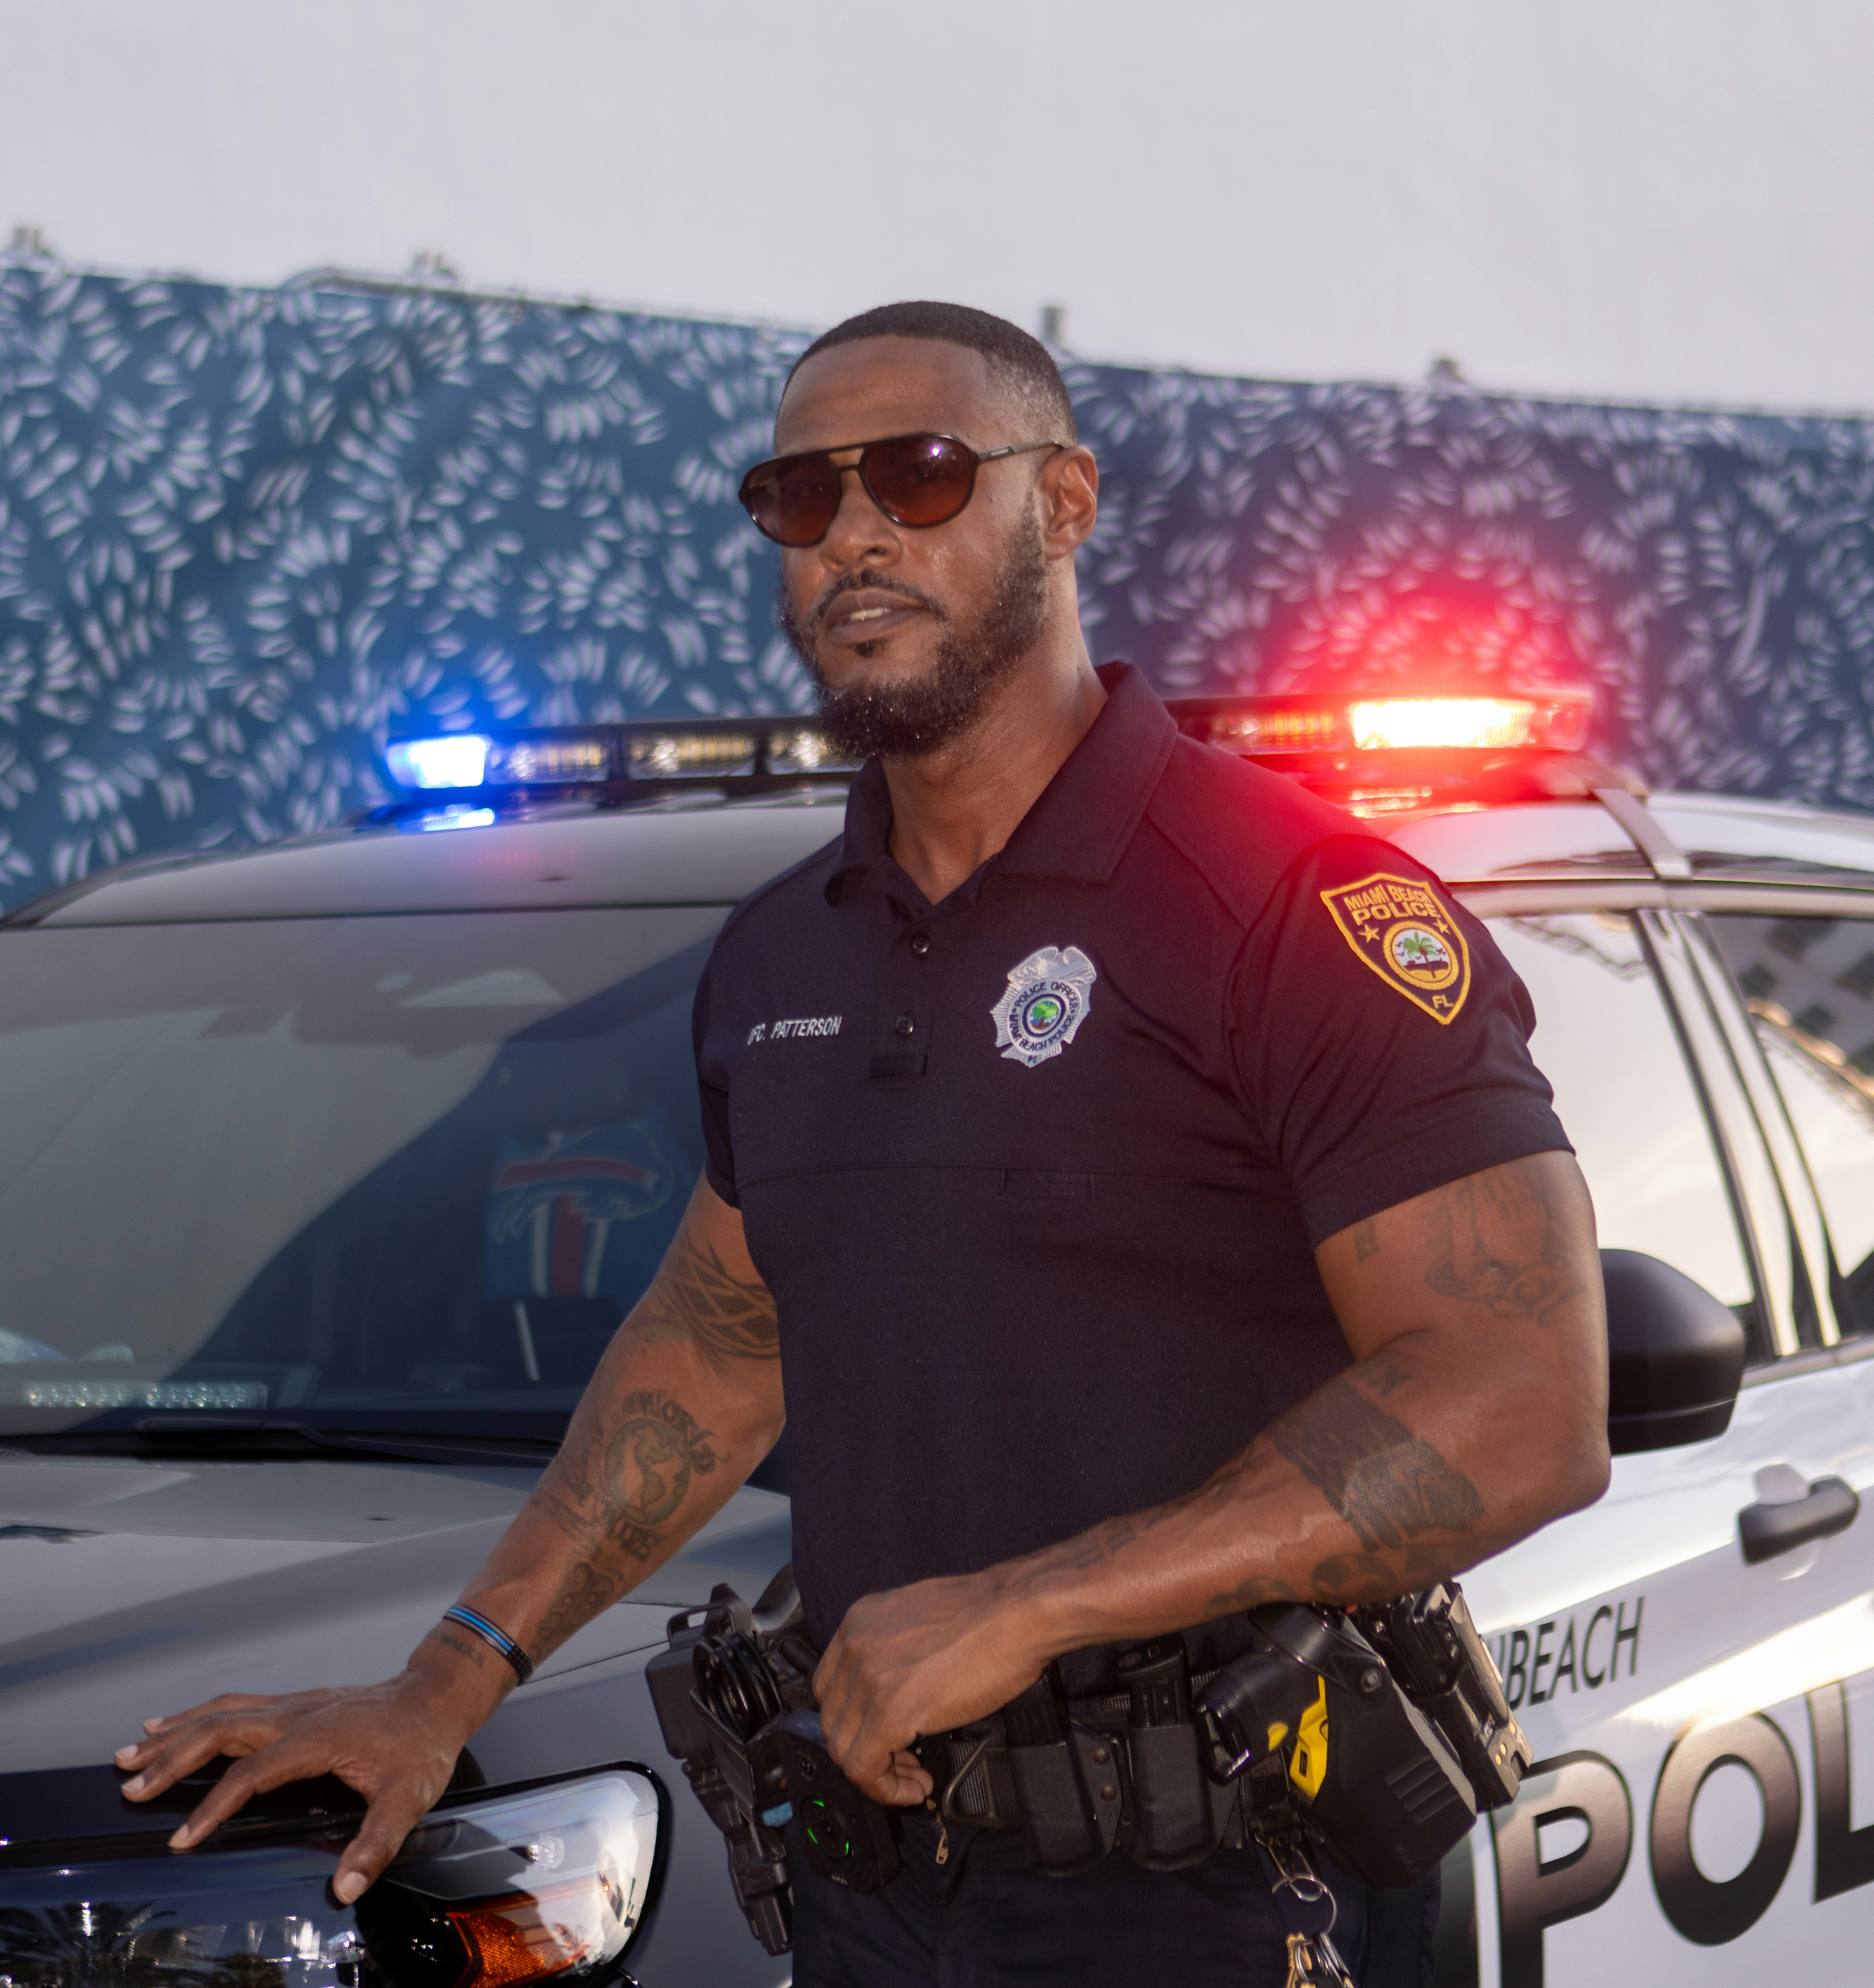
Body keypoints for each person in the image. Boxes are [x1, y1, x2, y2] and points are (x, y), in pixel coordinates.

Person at [117, 301, 1608, 1986]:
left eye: (915, 474)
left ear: (1062, 502)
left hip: (1228, 1896)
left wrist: (1027, 1603)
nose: (854, 538)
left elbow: (1522, 1403)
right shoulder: (780, 949)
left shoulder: (1284, 898)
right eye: (798, 498)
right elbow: (721, 1335)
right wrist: (446, 1674)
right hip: (873, 1889)